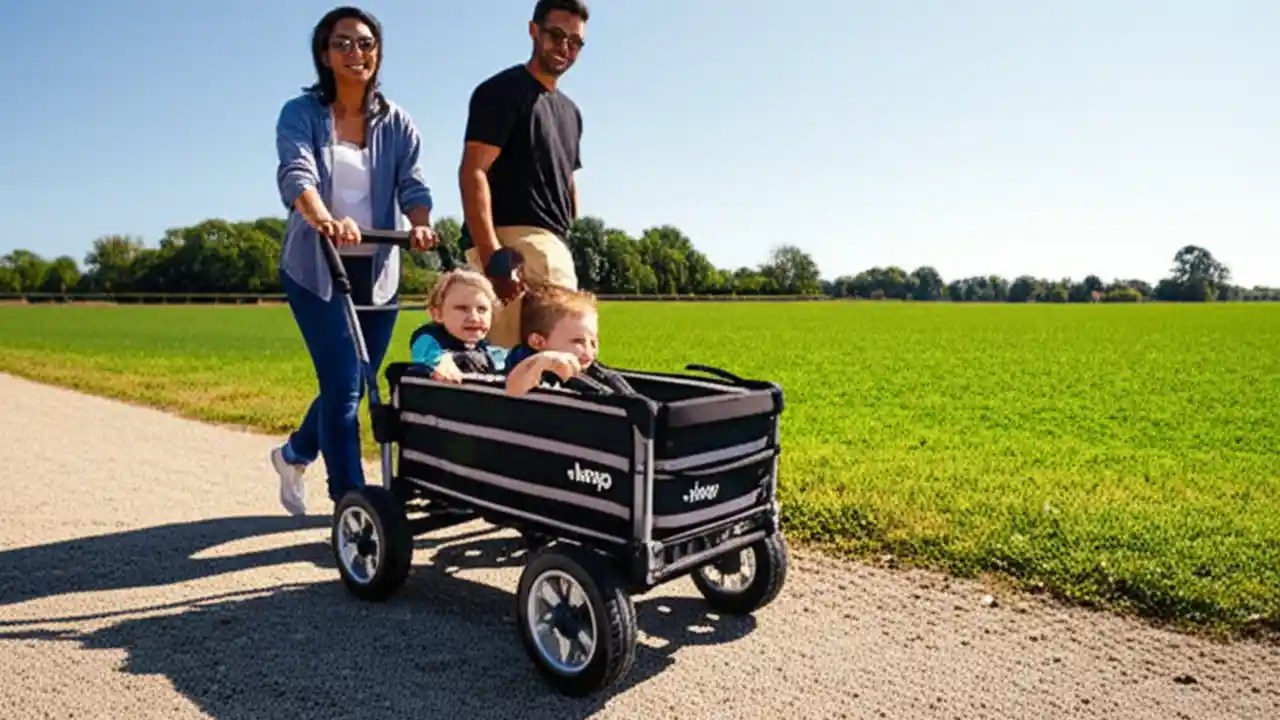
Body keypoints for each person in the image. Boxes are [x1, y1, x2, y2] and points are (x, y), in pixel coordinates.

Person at [270, 6, 439, 517]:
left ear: (377, 52)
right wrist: (324, 219)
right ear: (325, 53)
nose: (355, 52)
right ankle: (352, 504)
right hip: (317, 266)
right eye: (343, 43)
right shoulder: (300, 114)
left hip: (378, 270)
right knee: (345, 386)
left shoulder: (398, 120)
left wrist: (420, 223)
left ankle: (296, 451)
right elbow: (296, 174)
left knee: (357, 376)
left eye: (365, 43)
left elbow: (412, 183)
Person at [458, 0, 590, 348]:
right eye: (556, 35)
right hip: (511, 246)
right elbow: (474, 171)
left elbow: (566, 176)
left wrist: (567, 231)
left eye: (575, 42)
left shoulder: (571, 112)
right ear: (534, 31)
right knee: (507, 371)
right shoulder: (501, 91)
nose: (564, 48)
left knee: (557, 373)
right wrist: (493, 258)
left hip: (553, 246)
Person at [504, 283, 638, 397]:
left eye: (593, 342)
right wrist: (541, 362)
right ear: (538, 342)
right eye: (578, 341)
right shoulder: (528, 375)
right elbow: (512, 390)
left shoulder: (594, 372)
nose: (589, 352)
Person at [409, 270, 507, 382]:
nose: (474, 318)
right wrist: (440, 361)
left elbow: (505, 359)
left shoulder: (487, 349)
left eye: (482, 309)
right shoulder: (430, 338)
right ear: (438, 314)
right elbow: (426, 353)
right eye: (462, 308)